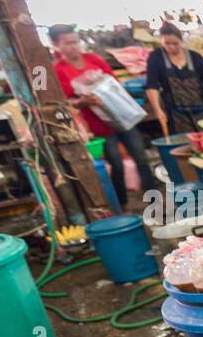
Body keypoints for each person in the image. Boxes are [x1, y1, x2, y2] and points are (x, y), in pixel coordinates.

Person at [49, 24, 157, 209]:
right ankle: (123, 204)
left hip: (123, 117)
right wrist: (84, 102)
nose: (74, 46)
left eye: (75, 41)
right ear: (56, 45)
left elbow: (114, 83)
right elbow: (64, 102)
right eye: (68, 43)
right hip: (98, 127)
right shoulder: (57, 70)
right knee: (116, 164)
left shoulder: (94, 59)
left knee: (141, 157)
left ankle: (153, 198)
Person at [144, 23, 203, 137]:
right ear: (161, 41)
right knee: (186, 145)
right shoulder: (156, 57)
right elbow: (152, 85)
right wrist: (158, 110)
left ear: (181, 41)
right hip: (176, 115)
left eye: (175, 43)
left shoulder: (195, 57)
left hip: (202, 110)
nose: (171, 47)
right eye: (167, 43)